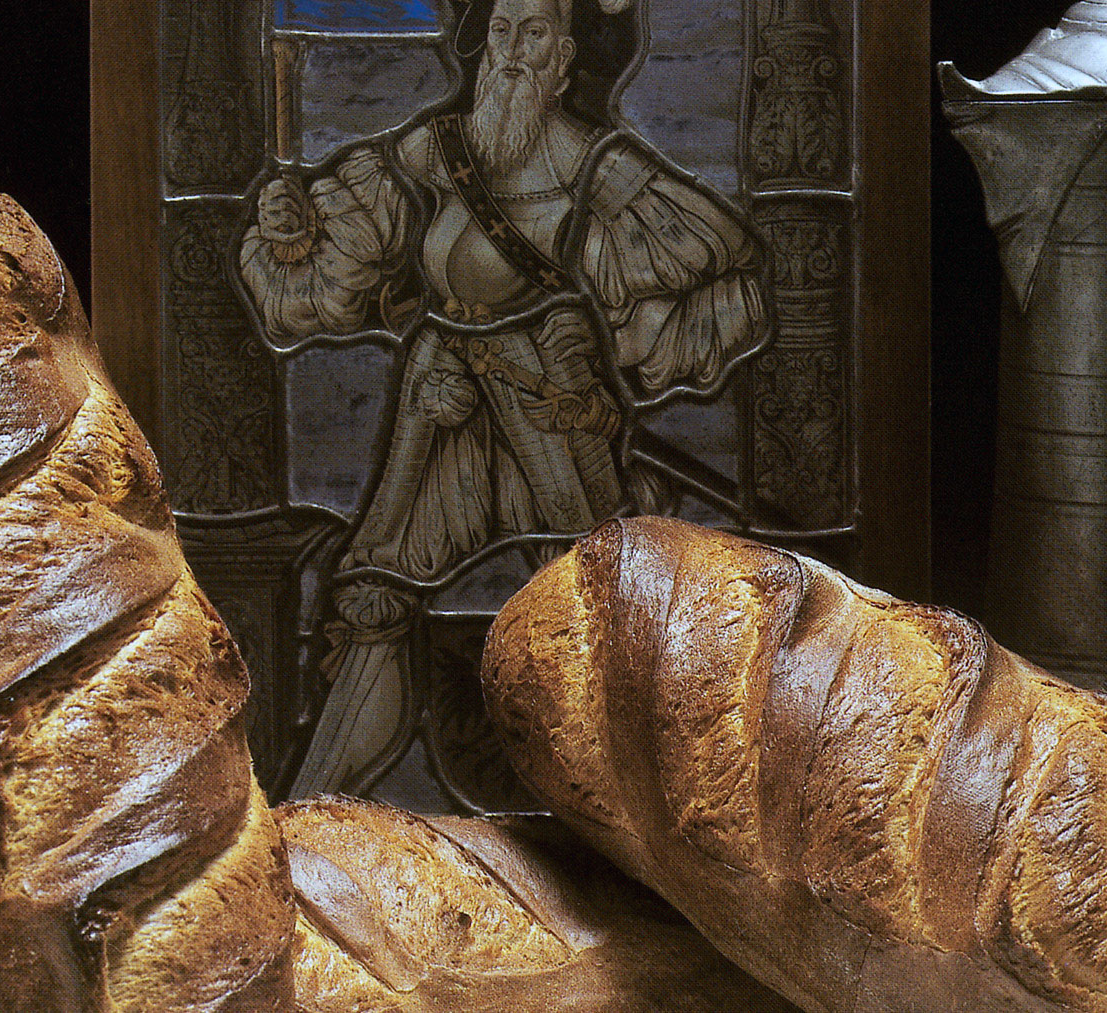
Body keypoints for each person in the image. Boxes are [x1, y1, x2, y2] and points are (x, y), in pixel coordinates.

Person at [238, 0, 769, 800]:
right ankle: (311, 816)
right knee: (378, 600)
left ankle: (637, 825)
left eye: (532, 34)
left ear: (566, 59)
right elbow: (342, 231)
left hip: (550, 413)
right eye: (500, 32)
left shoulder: (601, 170)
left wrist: (618, 357)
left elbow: (733, 279)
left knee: (594, 604)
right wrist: (291, 227)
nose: (510, 54)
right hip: (439, 407)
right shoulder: (442, 147)